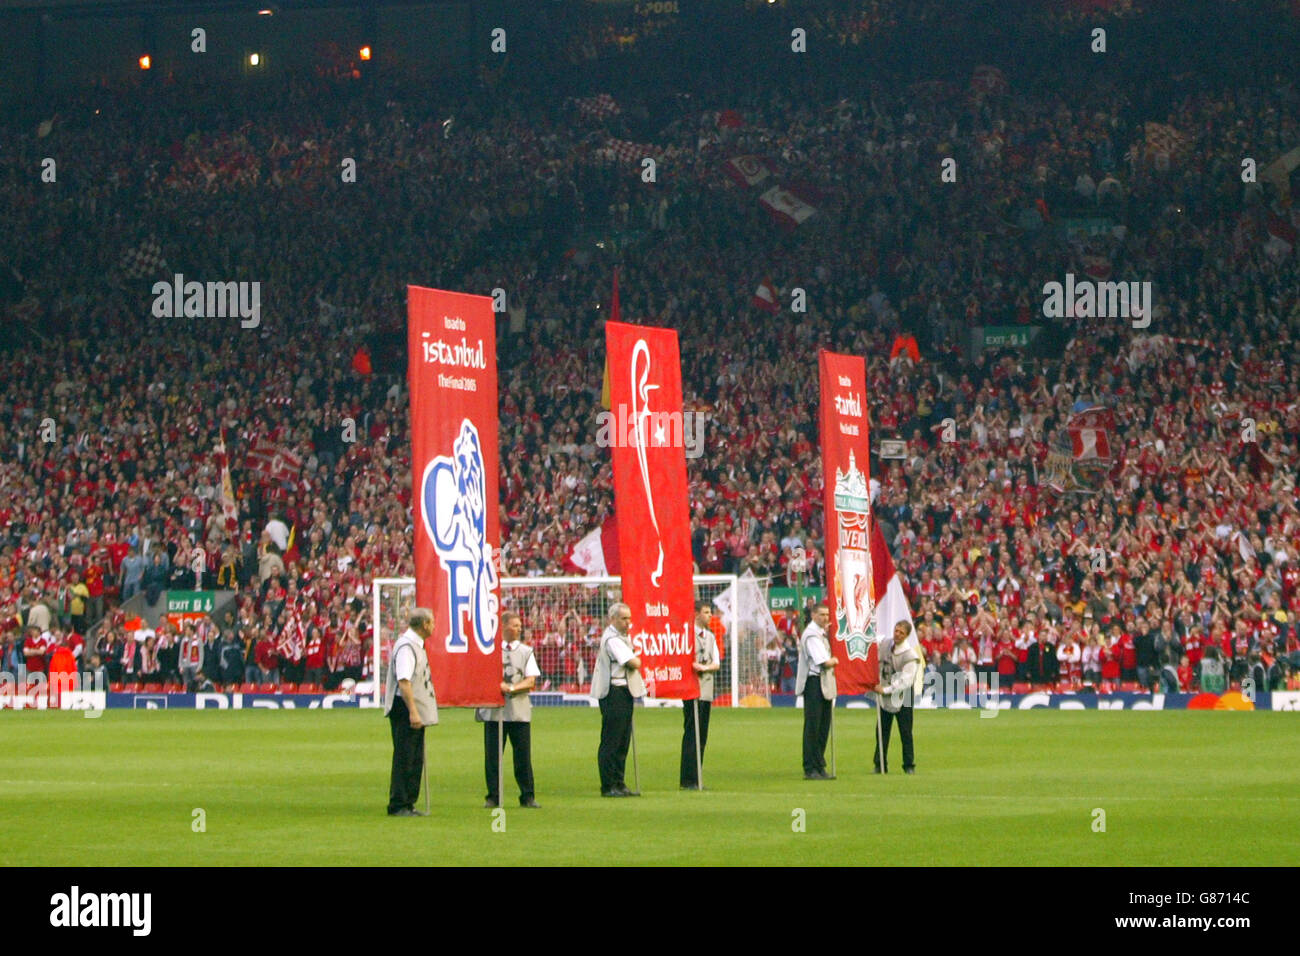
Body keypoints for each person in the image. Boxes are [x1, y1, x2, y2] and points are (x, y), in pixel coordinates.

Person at [477, 610, 541, 809]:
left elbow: (531, 680)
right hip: (494, 712)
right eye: (515, 625)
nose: (519, 629)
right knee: (492, 757)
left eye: (520, 626)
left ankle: (527, 796)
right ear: (503, 626)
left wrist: (511, 688)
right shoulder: (489, 651)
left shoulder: (526, 651)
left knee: (523, 756)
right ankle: (493, 796)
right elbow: (480, 677)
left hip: (519, 712)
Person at [384, 608, 438, 817]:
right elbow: (404, 681)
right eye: (432, 622)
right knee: (405, 756)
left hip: (412, 706)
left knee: (415, 757)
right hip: (405, 706)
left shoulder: (415, 645)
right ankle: (398, 803)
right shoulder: (407, 647)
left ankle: (408, 802)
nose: (434, 626)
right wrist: (413, 712)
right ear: (424, 624)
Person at [589, 602, 642, 797]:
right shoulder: (612, 640)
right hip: (614, 692)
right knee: (612, 740)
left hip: (624, 690)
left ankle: (619, 782)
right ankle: (608, 784)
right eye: (624, 618)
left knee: (623, 740)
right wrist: (637, 659)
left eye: (629, 618)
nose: (628, 622)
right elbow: (632, 662)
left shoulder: (621, 637)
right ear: (613, 619)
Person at [869, 620, 922, 774]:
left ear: (907, 636)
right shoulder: (885, 644)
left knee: (905, 731)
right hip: (884, 690)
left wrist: (886, 690)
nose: (897, 634)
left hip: (902, 694)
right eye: (896, 630)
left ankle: (909, 764)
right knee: (881, 730)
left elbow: (905, 681)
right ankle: (880, 764)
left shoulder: (910, 655)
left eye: (901, 633)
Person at [680, 601, 721, 789]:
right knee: (691, 734)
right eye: (706, 612)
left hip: (706, 691)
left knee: (702, 736)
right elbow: (685, 661)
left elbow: (716, 663)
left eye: (710, 612)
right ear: (696, 614)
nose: (710, 615)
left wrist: (704, 667)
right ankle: (688, 779)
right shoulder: (687, 636)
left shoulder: (711, 637)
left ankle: (696, 778)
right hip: (691, 691)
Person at [795, 604, 836, 780]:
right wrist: (835, 660)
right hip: (814, 682)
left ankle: (819, 764)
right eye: (821, 614)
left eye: (827, 614)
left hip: (823, 682)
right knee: (813, 726)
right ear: (813, 615)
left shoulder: (820, 633)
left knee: (823, 726)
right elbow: (823, 661)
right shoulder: (812, 635)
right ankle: (810, 766)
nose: (825, 618)